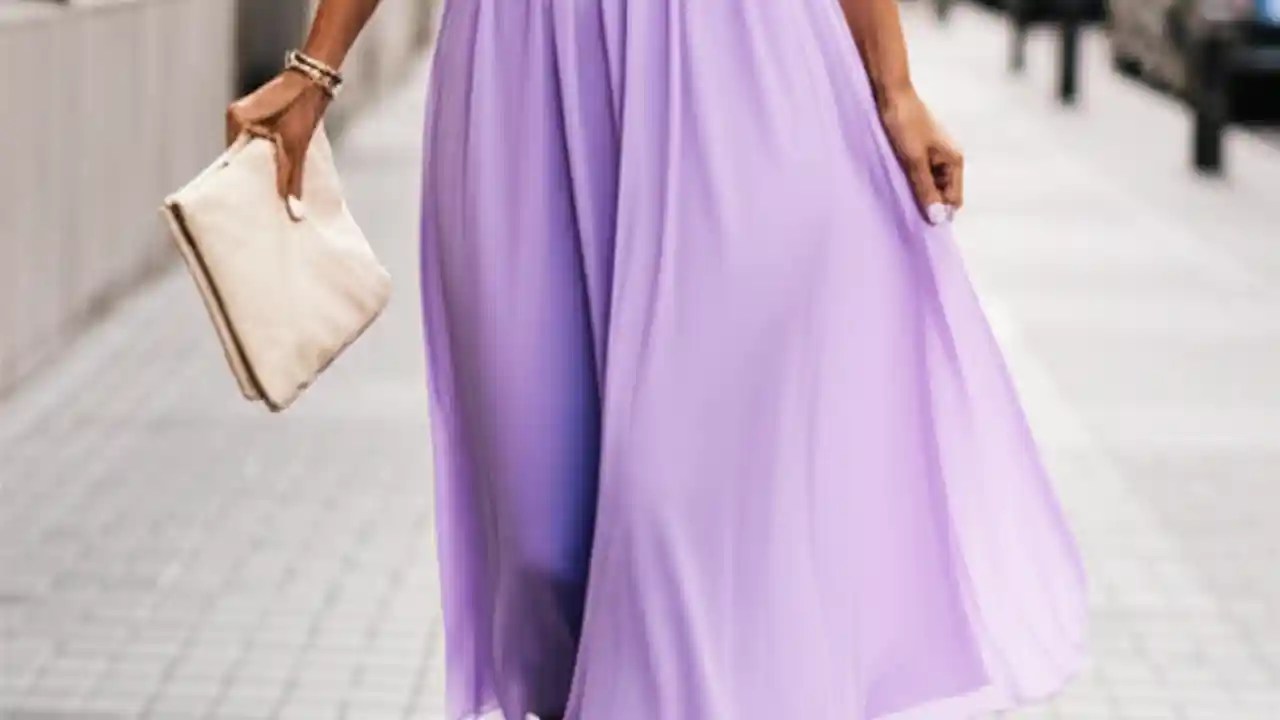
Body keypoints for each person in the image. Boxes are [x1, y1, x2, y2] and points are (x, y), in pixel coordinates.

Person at [229, 0, 1087, 718]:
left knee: (666, 521)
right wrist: (316, 68)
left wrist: (893, 87)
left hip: (737, 79)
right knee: (540, 551)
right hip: (521, 78)